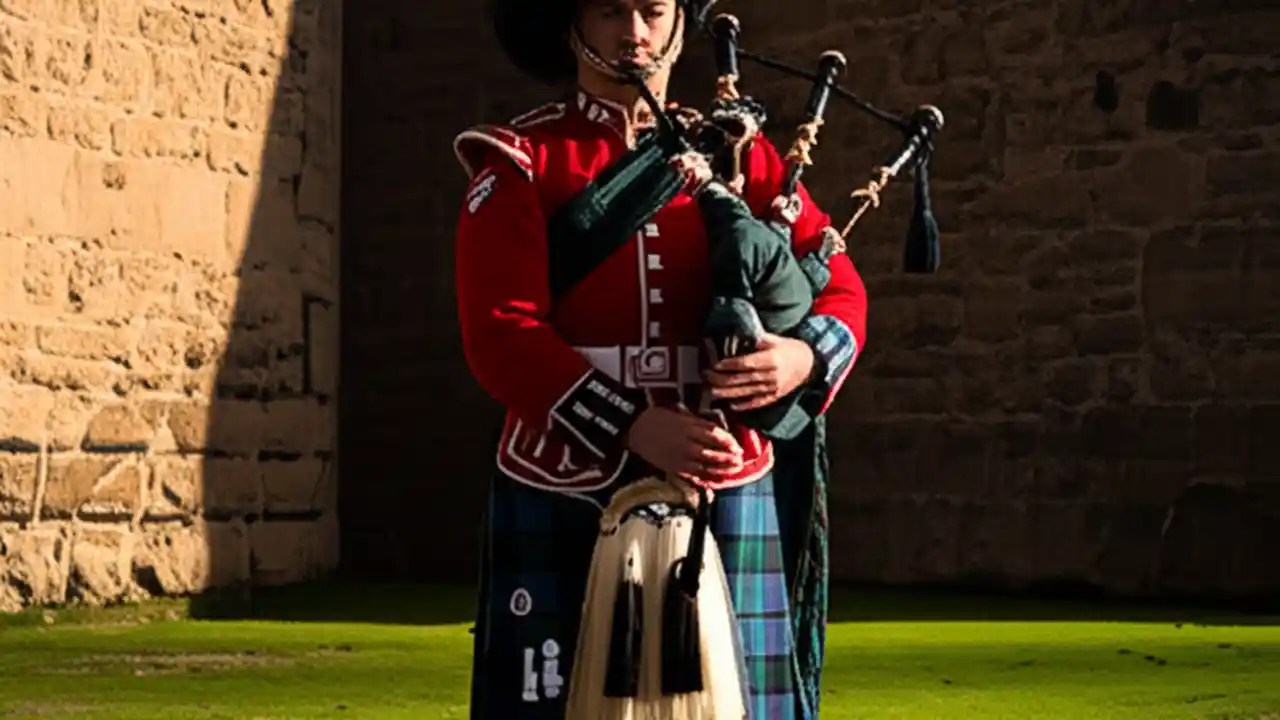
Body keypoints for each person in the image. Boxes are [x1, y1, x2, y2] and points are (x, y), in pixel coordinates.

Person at [451, 1, 868, 717]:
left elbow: (842, 289)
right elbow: (502, 334)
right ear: (572, 24)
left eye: (653, 9)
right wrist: (631, 426)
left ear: (681, 20)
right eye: (611, 10)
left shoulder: (743, 153)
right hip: (566, 475)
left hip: (726, 467)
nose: (635, 33)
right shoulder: (521, 158)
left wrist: (800, 359)